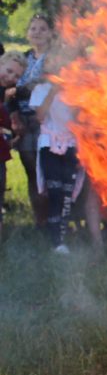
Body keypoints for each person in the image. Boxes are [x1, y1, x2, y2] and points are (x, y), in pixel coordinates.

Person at [29, 50, 84, 254]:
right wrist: (53, 92)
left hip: (71, 144)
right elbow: (40, 117)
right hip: (49, 144)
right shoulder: (41, 90)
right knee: (54, 190)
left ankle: (63, 234)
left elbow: (79, 119)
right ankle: (55, 241)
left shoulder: (78, 91)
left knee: (67, 193)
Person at [8, 14, 55, 229]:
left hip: (48, 121)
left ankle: (56, 218)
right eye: (33, 28)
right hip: (24, 122)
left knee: (48, 171)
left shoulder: (54, 59)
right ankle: (40, 221)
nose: (37, 32)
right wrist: (15, 114)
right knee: (31, 173)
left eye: (42, 28)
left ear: (51, 33)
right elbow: (8, 88)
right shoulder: (23, 59)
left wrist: (19, 91)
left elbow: (44, 83)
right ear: (27, 33)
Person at [0, 51, 28, 242]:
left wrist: (14, 133)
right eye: (8, 70)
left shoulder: (10, 95)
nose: (10, 77)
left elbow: (12, 127)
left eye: (16, 76)